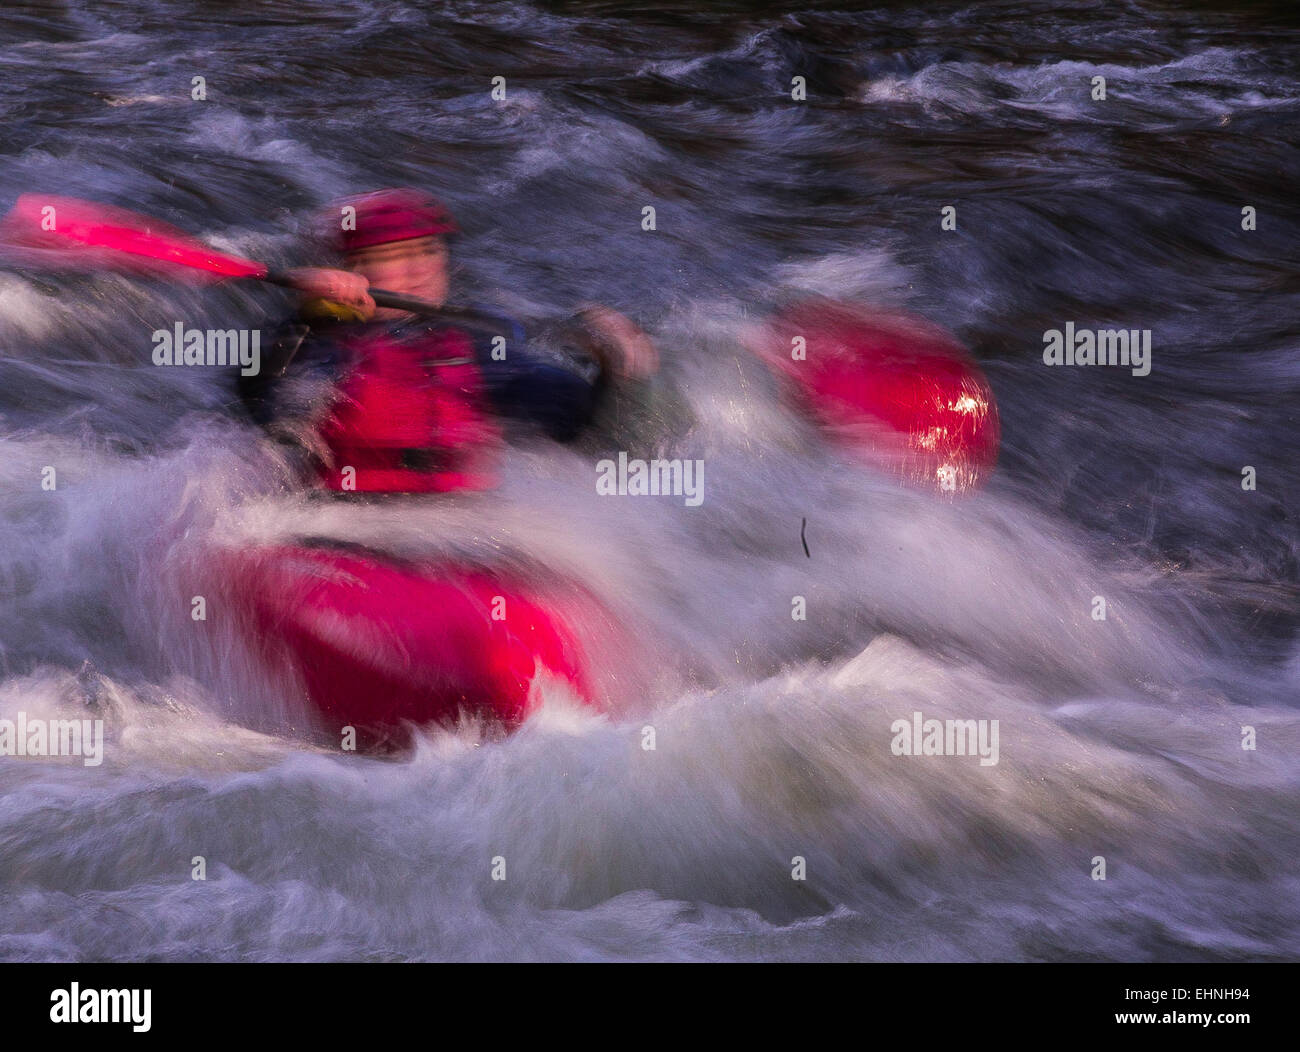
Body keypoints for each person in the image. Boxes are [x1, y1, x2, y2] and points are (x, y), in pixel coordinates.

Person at [238, 188, 658, 493]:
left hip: (455, 533)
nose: (418, 270)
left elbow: (579, 431)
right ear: (352, 269)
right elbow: (268, 408)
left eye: (426, 251)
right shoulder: (322, 341)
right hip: (330, 524)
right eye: (394, 256)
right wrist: (308, 319)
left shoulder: (474, 347)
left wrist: (614, 376)